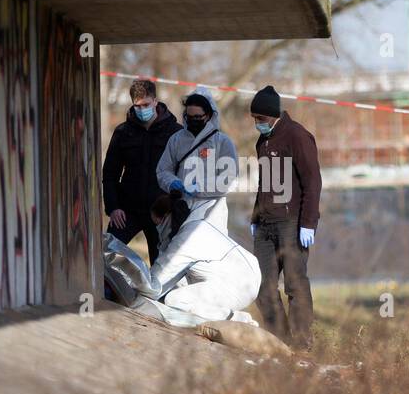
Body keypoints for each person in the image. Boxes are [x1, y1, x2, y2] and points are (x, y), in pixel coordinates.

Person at [248, 84, 321, 351]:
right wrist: (255, 216)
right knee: (262, 287)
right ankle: (280, 341)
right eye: (255, 119)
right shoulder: (263, 141)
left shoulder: (297, 136)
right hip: (266, 225)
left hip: (292, 224)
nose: (258, 124)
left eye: (261, 119)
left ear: (274, 115)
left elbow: (313, 182)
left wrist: (308, 223)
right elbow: (264, 182)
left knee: (294, 283)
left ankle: (302, 342)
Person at [137, 193, 260, 323]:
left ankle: (237, 319)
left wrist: (135, 289)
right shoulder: (193, 226)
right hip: (241, 274)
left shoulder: (187, 238)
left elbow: (160, 275)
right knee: (178, 289)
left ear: (167, 217)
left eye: (158, 224)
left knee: (175, 300)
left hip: (240, 283)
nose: (157, 229)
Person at [102, 79, 181, 263]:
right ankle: (112, 293)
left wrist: (174, 209)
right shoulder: (123, 132)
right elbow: (110, 173)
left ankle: (158, 294)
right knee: (106, 253)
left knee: (162, 266)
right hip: (127, 210)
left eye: (146, 104)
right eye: (137, 106)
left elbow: (183, 174)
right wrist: (113, 207)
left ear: (155, 101)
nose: (142, 109)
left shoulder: (175, 133)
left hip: (161, 212)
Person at [155, 87, 238, 229]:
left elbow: (230, 179)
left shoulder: (222, 142)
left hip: (211, 213)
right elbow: (163, 170)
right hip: (181, 210)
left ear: (208, 115)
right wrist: (172, 182)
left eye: (198, 117)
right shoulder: (176, 140)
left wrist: (199, 187)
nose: (193, 120)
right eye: (190, 117)